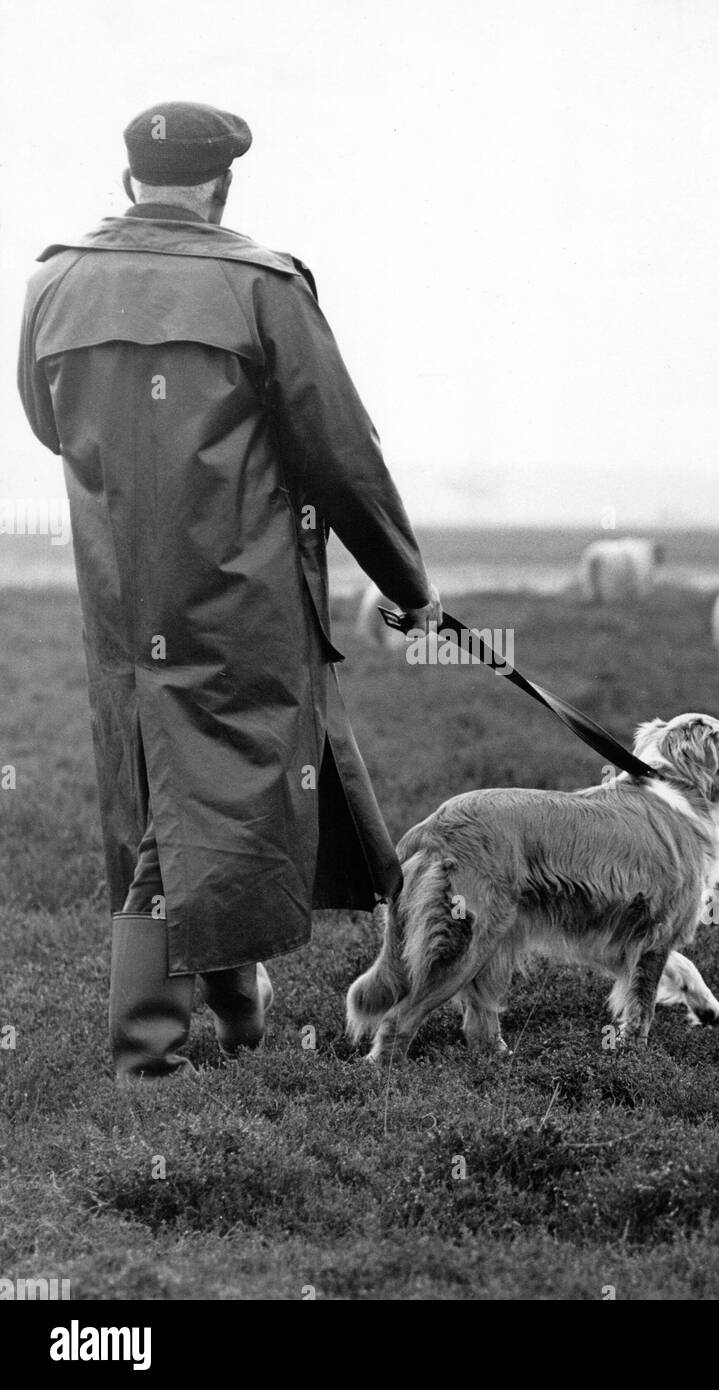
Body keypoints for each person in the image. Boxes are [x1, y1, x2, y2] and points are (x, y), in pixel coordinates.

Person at [18, 101, 441, 1081]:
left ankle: (238, 1003)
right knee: (224, 801)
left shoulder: (53, 281)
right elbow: (339, 452)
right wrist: (406, 583)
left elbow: (46, 421)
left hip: (121, 595)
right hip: (240, 597)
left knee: (164, 797)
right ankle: (149, 1054)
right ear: (221, 185)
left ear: (131, 181)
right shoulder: (261, 285)